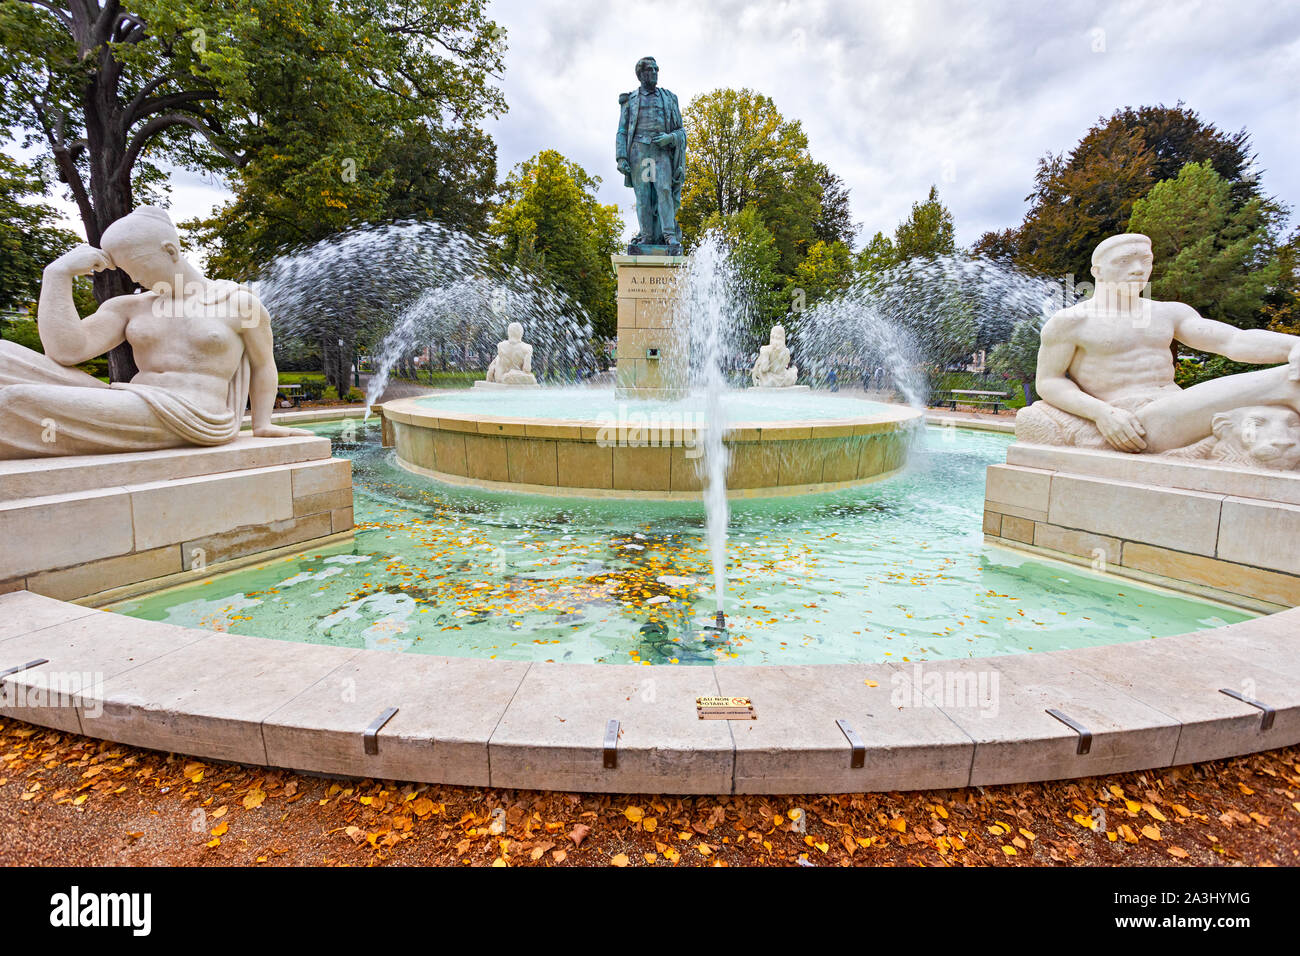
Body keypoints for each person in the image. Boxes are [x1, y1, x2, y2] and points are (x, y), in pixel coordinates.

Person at [0, 206, 308, 458]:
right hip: (132, 398)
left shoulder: (237, 303)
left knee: (17, 400)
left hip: (192, 414)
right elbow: (66, 351)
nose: (133, 277)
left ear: (170, 250)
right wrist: (57, 274)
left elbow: (263, 364)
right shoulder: (130, 307)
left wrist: (262, 424)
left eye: (136, 265)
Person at [1021, 233, 1300, 453]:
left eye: (1145, 260)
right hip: (1137, 423)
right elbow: (1049, 382)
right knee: (1290, 381)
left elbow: (1233, 341)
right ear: (1098, 270)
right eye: (1124, 261)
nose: (1137, 269)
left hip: (1175, 409)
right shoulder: (1071, 321)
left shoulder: (1168, 312)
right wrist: (1102, 414)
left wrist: (1292, 346)